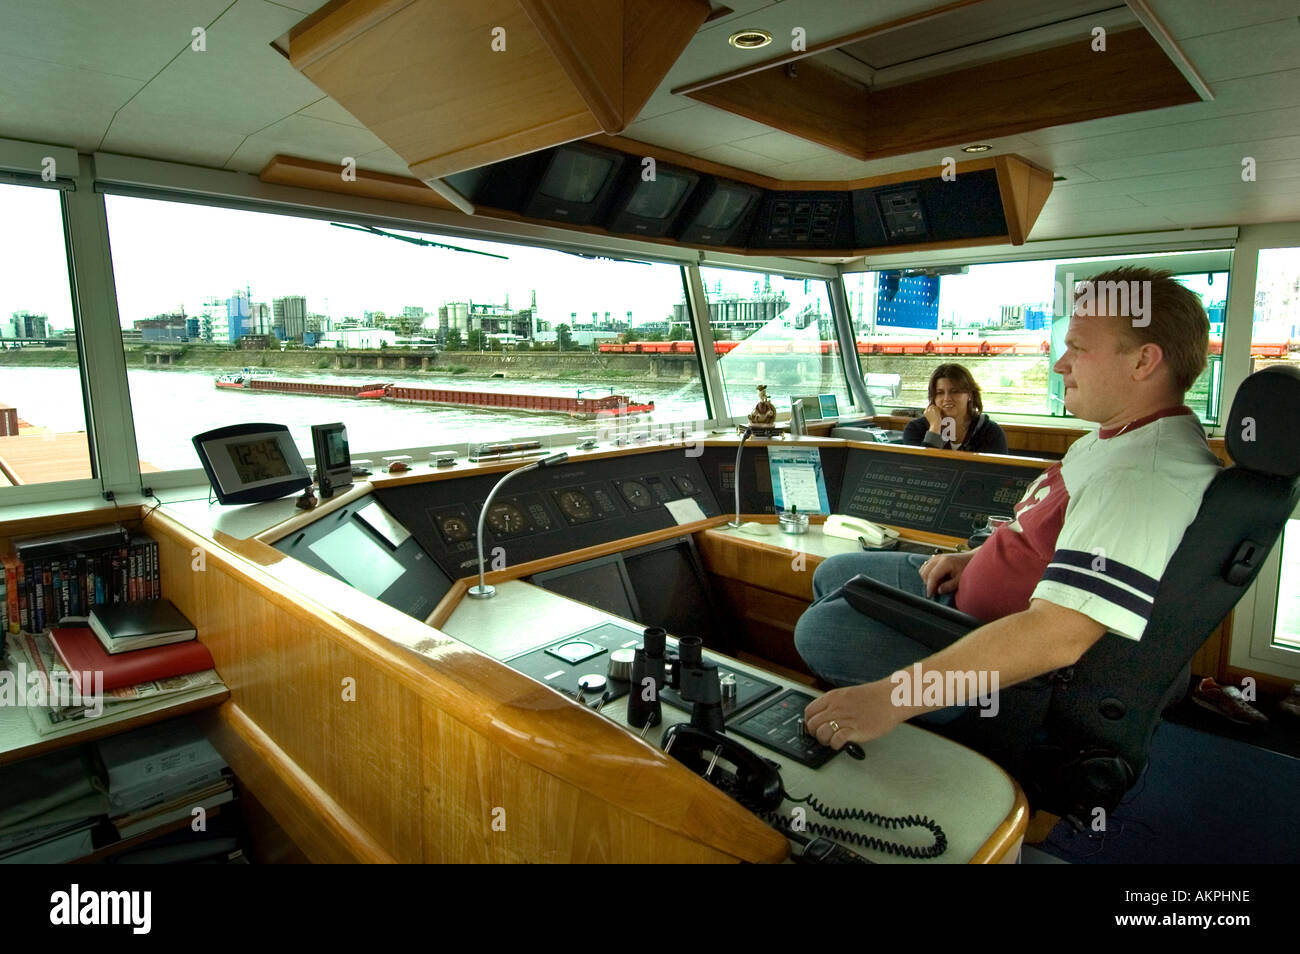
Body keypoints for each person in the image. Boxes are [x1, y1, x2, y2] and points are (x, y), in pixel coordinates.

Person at [797, 267, 1221, 752]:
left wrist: (890, 698)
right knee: (835, 573)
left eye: (1078, 348)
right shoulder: (1121, 437)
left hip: (997, 647)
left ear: (1144, 360)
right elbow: (1038, 536)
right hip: (973, 593)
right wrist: (974, 560)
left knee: (819, 628)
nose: (1061, 364)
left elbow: (1057, 634)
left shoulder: (1141, 477)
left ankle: (945, 739)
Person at [902, 364, 1008, 454]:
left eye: (955, 391)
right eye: (940, 393)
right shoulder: (915, 429)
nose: (947, 399)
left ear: (970, 395)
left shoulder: (991, 432)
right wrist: (934, 428)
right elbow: (920, 468)